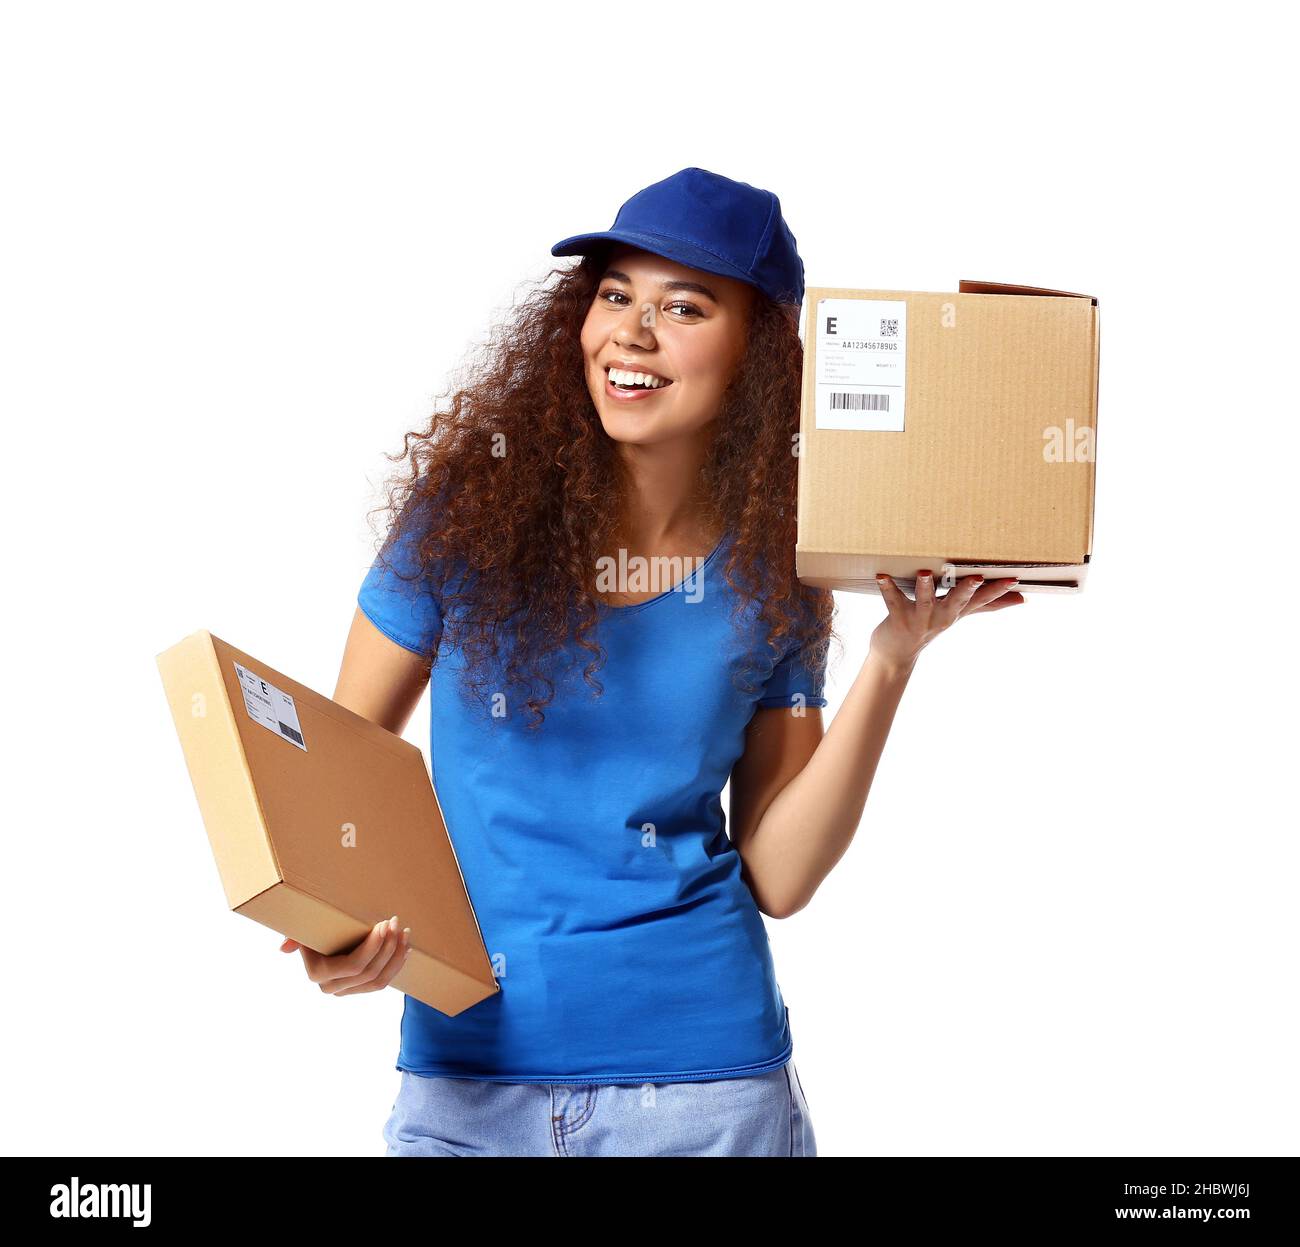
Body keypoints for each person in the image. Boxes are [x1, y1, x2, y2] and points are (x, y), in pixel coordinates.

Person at [278, 168, 1024, 1157]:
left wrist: (893, 655)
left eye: (683, 307)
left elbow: (778, 872)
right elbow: (339, 769)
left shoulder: (774, 569)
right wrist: (334, 935)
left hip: (703, 1093)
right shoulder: (464, 518)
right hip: (466, 1083)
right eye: (615, 294)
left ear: (758, 352)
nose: (631, 332)